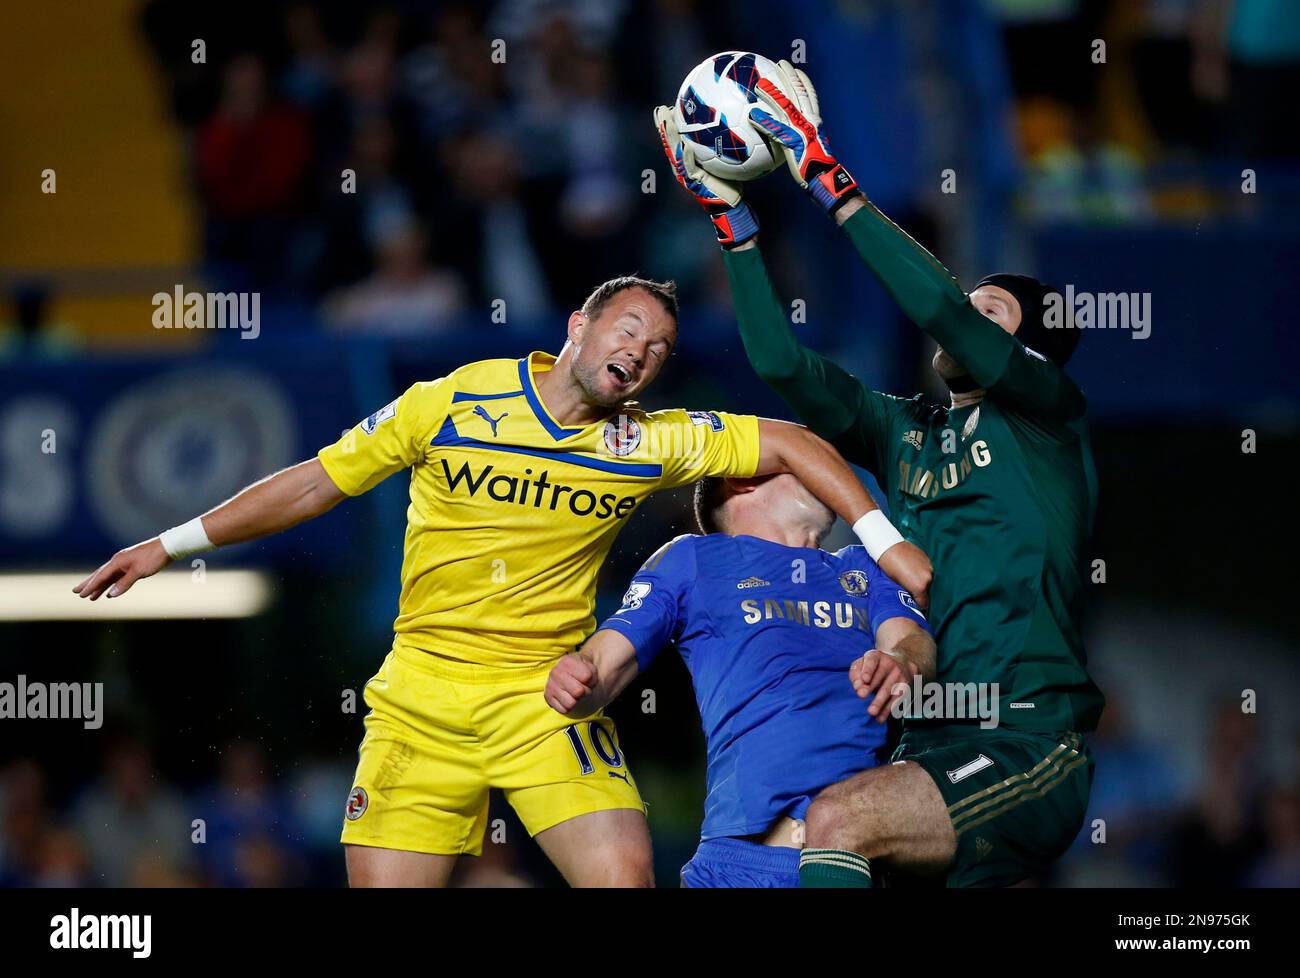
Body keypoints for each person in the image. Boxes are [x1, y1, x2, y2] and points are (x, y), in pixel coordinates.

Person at [74, 275, 932, 888]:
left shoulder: (648, 442)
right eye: (627, 329)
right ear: (578, 325)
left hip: (546, 697)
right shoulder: (451, 402)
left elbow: (788, 441)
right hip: (424, 697)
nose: (640, 352)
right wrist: (172, 542)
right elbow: (315, 481)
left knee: (626, 876)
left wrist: (883, 540)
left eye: (660, 348)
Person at [656, 59, 1103, 887]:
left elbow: (934, 305)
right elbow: (781, 363)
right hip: (918, 740)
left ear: (1026, 351)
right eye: (969, 299)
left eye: (990, 311)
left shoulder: (1046, 413)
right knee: (794, 847)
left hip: (1023, 737)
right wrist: (732, 223)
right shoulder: (907, 428)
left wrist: (819, 169)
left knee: (835, 821)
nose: (964, 312)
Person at [545, 471, 934, 887]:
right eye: (795, 463)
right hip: (738, 864)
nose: (823, 472)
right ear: (743, 482)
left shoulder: (862, 565)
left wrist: (900, 661)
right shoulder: (693, 558)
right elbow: (607, 662)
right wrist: (582, 674)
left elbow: (913, 642)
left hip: (852, 859)